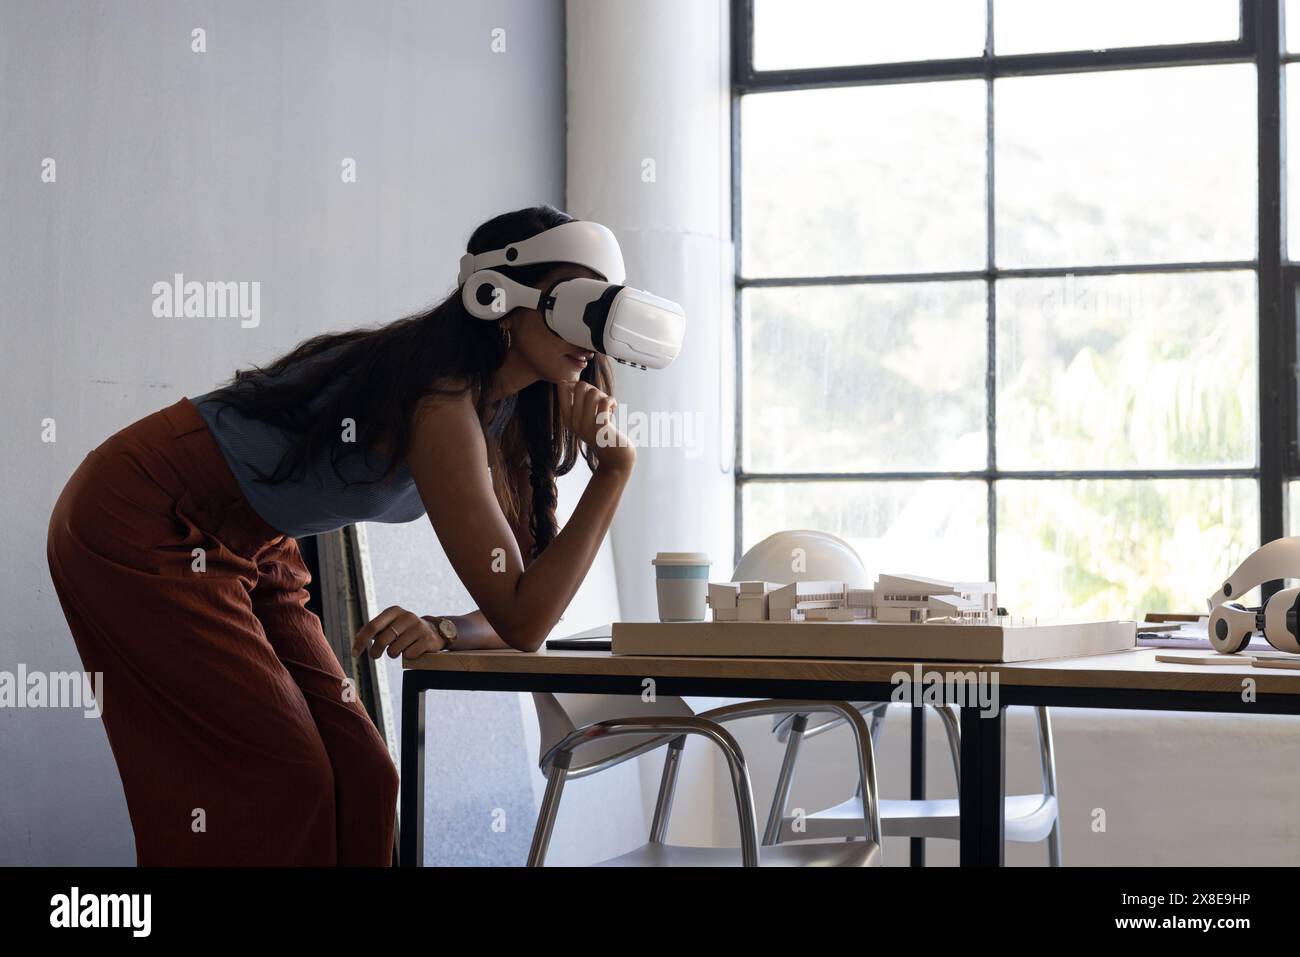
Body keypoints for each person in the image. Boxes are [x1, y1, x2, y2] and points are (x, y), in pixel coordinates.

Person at [46, 204, 636, 865]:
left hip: (256, 541)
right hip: (145, 511)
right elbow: (527, 619)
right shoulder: (441, 404)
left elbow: (524, 606)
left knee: (366, 774)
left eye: (601, 310)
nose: (590, 332)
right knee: (281, 777)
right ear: (500, 298)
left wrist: (446, 629)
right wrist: (613, 471)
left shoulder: (504, 412)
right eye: (574, 303)